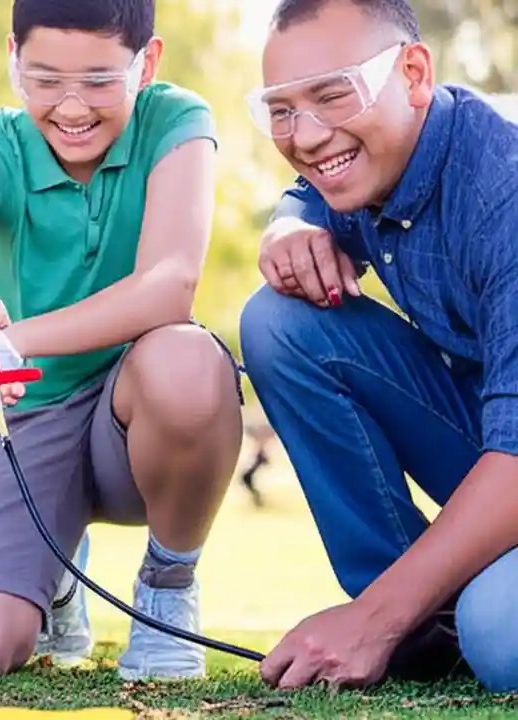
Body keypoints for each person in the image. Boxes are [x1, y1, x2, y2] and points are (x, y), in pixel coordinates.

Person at [0, 0, 244, 680]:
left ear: (146, 63)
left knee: (186, 359)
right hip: (24, 420)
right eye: (44, 79)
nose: (70, 107)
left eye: (98, 81)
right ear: (13, 59)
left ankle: (167, 588)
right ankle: (57, 573)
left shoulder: (178, 123)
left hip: (137, 415)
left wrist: (14, 339)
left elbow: (169, 283)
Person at [240, 0, 518, 692]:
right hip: (488, 440)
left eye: (334, 94)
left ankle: (398, 618)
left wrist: (369, 619)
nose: (305, 136)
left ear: (414, 73)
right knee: (279, 322)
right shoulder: (367, 170)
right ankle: (423, 627)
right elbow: (306, 189)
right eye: (280, 110)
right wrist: (287, 224)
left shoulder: (503, 191)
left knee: (501, 634)